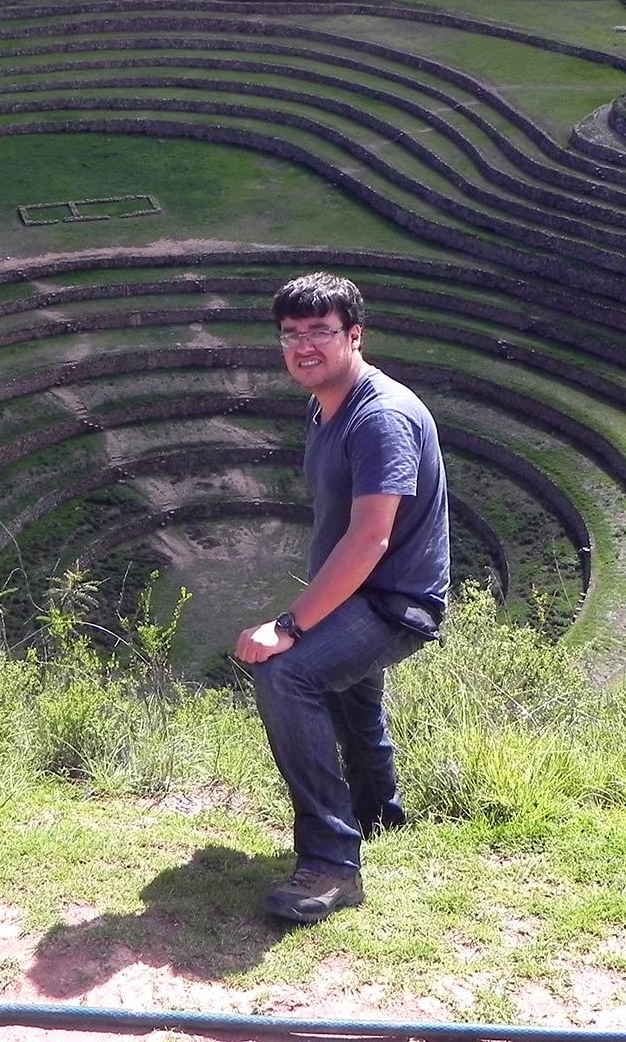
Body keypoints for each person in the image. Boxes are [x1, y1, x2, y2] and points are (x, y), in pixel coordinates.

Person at [233, 272, 449, 923]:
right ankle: (379, 815)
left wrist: (292, 626)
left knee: (288, 674)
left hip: (393, 602)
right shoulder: (326, 403)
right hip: (367, 593)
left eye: (321, 333)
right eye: (291, 335)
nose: (303, 347)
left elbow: (371, 539)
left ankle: (331, 863)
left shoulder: (378, 417)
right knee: (352, 695)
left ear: (354, 335)